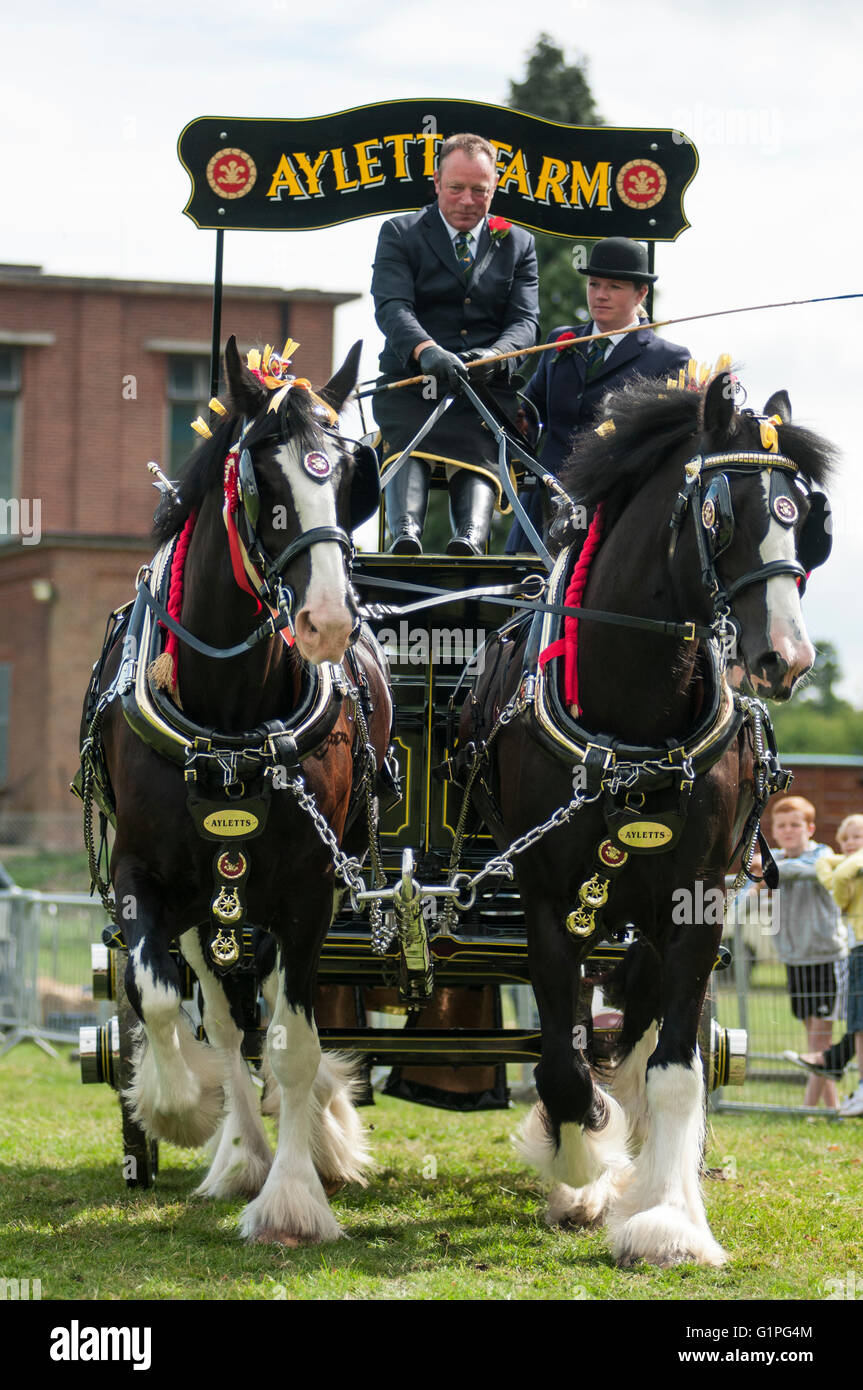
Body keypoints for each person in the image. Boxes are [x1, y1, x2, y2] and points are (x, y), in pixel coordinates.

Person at [371, 132, 539, 556]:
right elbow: (392, 306)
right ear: (436, 183)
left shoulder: (519, 244)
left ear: (494, 188)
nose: (467, 200)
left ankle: (471, 539)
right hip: (412, 384)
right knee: (408, 437)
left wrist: (495, 357)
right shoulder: (399, 233)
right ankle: (404, 534)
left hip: (482, 390)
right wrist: (426, 351)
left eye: (479, 190)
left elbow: (525, 322)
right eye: (456, 188)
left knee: (482, 436)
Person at [506, 236, 691, 553]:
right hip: (542, 501)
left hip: (613, 509)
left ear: (641, 293)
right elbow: (530, 410)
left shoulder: (669, 359)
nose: (600, 295)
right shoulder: (558, 342)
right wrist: (512, 412)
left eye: (614, 287)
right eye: (594, 284)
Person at [770, 796, 849, 1109]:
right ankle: (832, 1108)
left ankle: (806, 1109)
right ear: (774, 831)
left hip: (825, 957)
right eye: (782, 826)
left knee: (819, 1039)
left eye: (795, 825)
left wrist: (770, 871)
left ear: (810, 828)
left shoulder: (822, 855)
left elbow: (805, 868)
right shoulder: (771, 857)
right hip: (793, 958)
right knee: (815, 1043)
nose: (789, 831)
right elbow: (748, 892)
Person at [788, 814, 863, 1116]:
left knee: (858, 1022)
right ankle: (830, 1070)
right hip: (853, 945)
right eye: (845, 839)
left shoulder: (852, 865)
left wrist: (837, 892)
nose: (850, 844)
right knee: (855, 1022)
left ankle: (843, 1080)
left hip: (854, 948)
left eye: (857, 837)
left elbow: (840, 876)